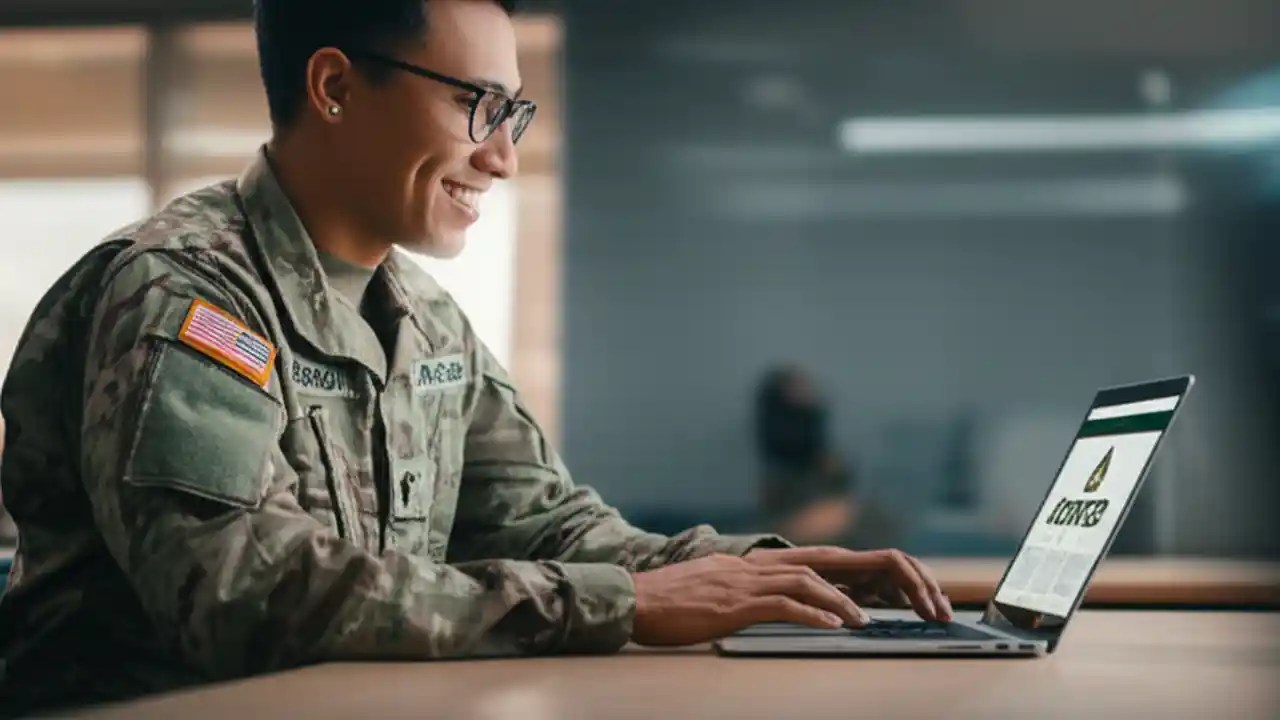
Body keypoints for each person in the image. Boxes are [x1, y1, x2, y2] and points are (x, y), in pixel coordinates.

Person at [0, 0, 951, 713]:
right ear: (333, 87)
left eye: (514, 114)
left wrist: (762, 575)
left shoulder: (423, 316)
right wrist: (615, 604)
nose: (502, 157)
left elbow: (551, 527)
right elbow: (243, 596)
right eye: (478, 106)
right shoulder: (189, 294)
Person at [756, 366, 900, 548]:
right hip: (797, 529)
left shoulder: (831, 462)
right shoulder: (775, 478)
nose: (806, 394)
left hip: (837, 524)